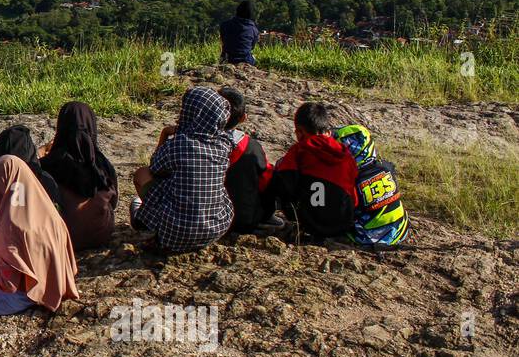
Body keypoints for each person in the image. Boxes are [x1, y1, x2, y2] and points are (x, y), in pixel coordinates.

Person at [0, 155, 79, 315]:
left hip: (21, 296)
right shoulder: (48, 213)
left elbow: (8, 284)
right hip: (49, 285)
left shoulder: (13, 226)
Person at [130, 87, 234, 252]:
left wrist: (165, 134)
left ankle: (147, 223)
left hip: (177, 232)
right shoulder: (224, 144)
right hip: (216, 227)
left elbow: (155, 168)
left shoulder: (180, 144)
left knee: (142, 174)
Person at [266, 103, 358, 240]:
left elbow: (284, 186)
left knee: (280, 170)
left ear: (300, 132)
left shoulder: (299, 150)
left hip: (311, 224)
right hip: (342, 223)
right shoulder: (345, 153)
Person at [40, 101, 118, 250]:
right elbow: (113, 203)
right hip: (100, 235)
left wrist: (42, 151)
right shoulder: (102, 164)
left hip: (60, 239)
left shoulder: (49, 164)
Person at [333, 124, 410, 248]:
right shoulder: (386, 166)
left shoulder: (350, 181)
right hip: (400, 229)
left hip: (368, 238)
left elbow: (343, 214)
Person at [218, 87, 282, 233]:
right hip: (243, 219)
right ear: (243, 118)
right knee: (271, 174)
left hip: (206, 214)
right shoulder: (251, 147)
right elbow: (266, 181)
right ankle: (267, 217)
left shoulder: (194, 141)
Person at [220, 0, 261, 66]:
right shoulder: (253, 29)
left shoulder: (225, 25)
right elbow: (252, 47)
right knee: (253, 58)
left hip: (227, 58)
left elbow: (223, 41)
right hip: (245, 60)